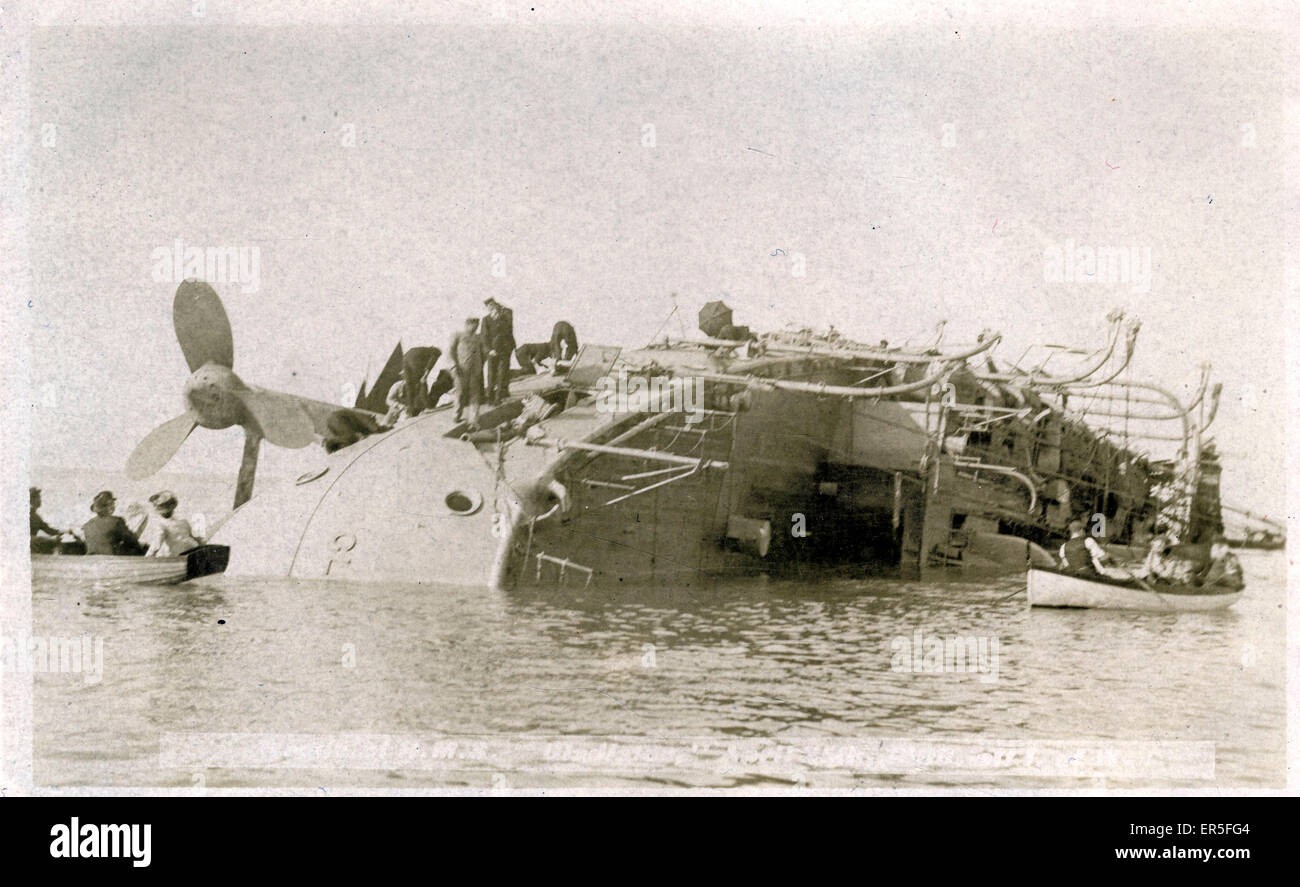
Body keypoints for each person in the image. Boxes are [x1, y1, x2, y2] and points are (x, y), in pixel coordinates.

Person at [81, 491, 147, 556]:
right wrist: (144, 521)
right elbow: (132, 540)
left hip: (90, 559)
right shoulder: (116, 521)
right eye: (112, 504)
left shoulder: (88, 524)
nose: (114, 506)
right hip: (110, 560)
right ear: (109, 506)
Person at [144, 490, 204, 557]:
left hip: (176, 556)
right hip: (191, 551)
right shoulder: (184, 522)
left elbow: (156, 545)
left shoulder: (162, 525)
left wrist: (147, 557)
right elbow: (197, 539)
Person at [449, 316, 485, 426]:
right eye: (473, 325)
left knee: (475, 395)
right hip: (461, 370)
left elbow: (482, 353)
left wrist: (480, 367)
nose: (475, 327)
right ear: (467, 325)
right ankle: (456, 415)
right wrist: (454, 366)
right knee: (460, 394)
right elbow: (450, 351)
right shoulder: (457, 335)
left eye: (477, 325)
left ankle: (473, 420)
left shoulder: (478, 338)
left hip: (475, 371)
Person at [480, 298, 516, 405]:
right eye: (490, 308)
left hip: (505, 350)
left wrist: (500, 307)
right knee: (491, 375)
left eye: (494, 307)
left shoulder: (506, 316)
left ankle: (497, 398)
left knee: (502, 374)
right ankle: (490, 397)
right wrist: (489, 350)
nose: (492, 310)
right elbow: (484, 336)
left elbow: (509, 311)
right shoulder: (486, 320)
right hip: (492, 352)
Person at [322, 408, 391, 453]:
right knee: (351, 438)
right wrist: (386, 427)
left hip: (334, 421)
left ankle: (331, 445)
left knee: (348, 441)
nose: (376, 422)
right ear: (373, 417)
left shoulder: (359, 416)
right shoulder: (367, 417)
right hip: (337, 420)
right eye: (375, 421)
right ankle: (329, 443)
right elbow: (374, 428)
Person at [400, 346, 442, 417]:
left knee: (409, 385)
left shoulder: (424, 350)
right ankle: (426, 406)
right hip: (415, 359)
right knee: (421, 381)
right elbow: (431, 362)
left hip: (406, 358)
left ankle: (411, 410)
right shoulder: (436, 352)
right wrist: (425, 374)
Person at [30, 487, 67, 554]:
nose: (40, 500)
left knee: (56, 541)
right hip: (29, 542)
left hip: (34, 542)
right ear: (32, 499)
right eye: (38, 497)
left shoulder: (36, 516)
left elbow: (48, 529)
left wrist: (64, 532)